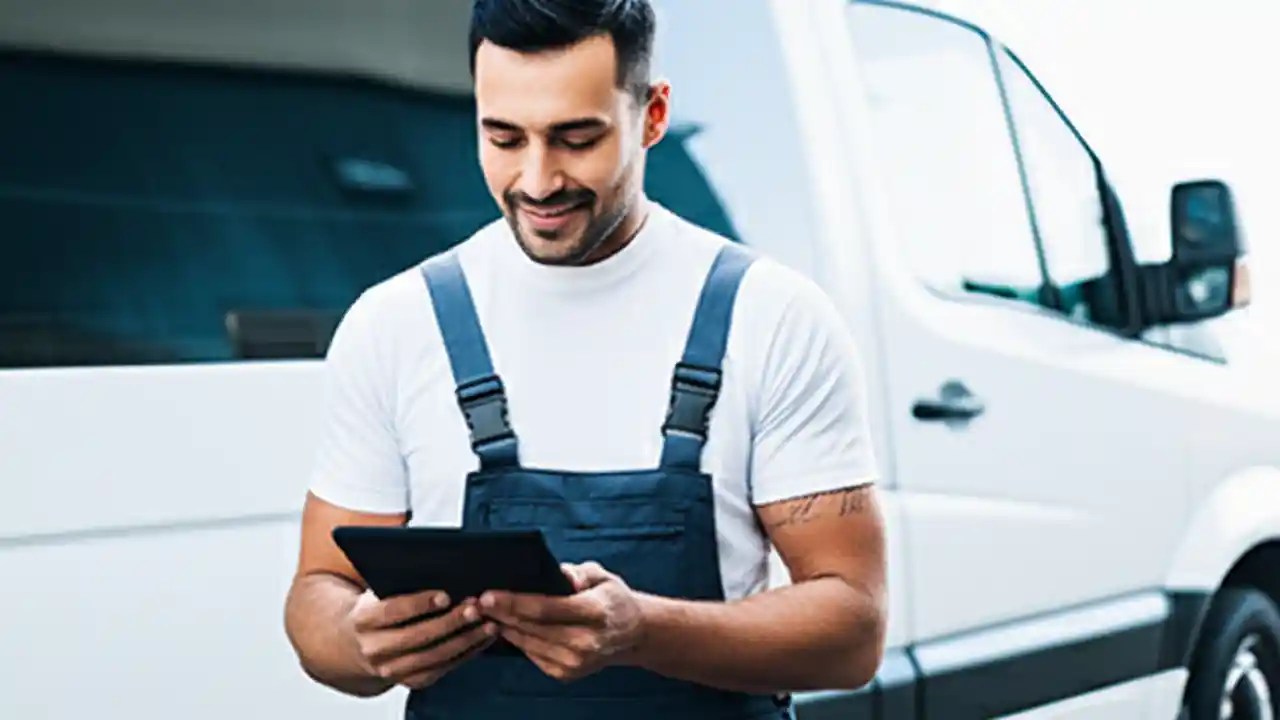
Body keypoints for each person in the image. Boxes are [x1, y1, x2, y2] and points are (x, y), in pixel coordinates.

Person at [283, 0, 887, 717]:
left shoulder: (773, 319)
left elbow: (853, 629)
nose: (537, 181)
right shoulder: (396, 325)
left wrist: (641, 631)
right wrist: (359, 644)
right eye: (503, 137)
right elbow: (318, 591)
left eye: (576, 138)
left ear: (652, 115)